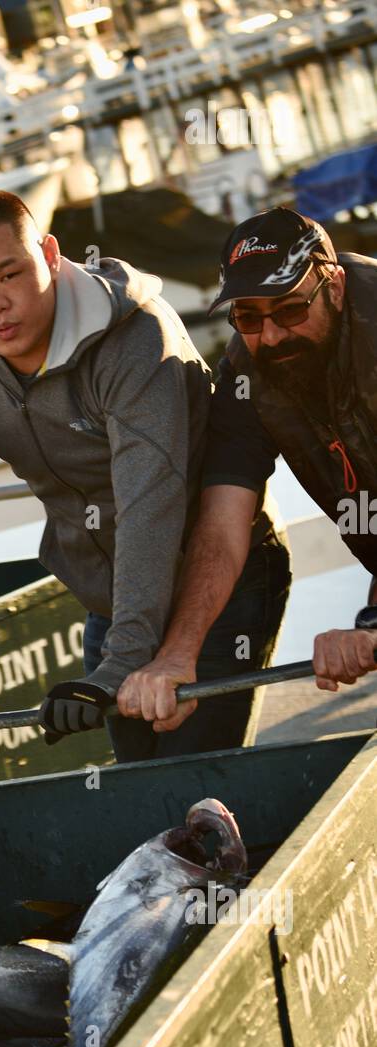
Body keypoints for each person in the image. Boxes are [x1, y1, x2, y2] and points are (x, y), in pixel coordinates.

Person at [0, 189, 289, 760]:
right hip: (109, 591)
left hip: (220, 575)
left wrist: (124, 662)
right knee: (133, 777)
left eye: (11, 274)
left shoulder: (135, 336)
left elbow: (148, 502)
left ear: (50, 255)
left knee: (195, 784)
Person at [118, 206, 377, 734]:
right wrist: (177, 656)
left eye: (288, 309)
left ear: (336, 284)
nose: (272, 336)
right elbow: (223, 523)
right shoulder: (245, 372)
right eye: (249, 317)